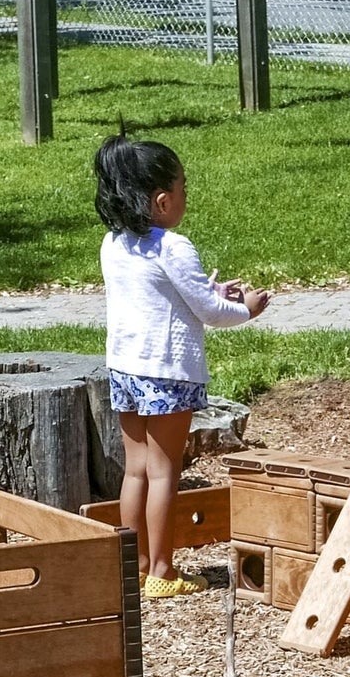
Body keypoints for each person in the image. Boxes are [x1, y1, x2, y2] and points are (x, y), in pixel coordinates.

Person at [96, 128, 269, 597]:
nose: (186, 195)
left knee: (135, 470)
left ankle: (133, 567)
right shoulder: (173, 246)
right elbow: (210, 314)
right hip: (167, 372)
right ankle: (164, 572)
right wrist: (246, 308)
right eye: (183, 187)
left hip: (126, 369)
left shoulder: (114, 244)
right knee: (165, 469)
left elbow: (162, 294)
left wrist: (210, 289)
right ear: (160, 199)